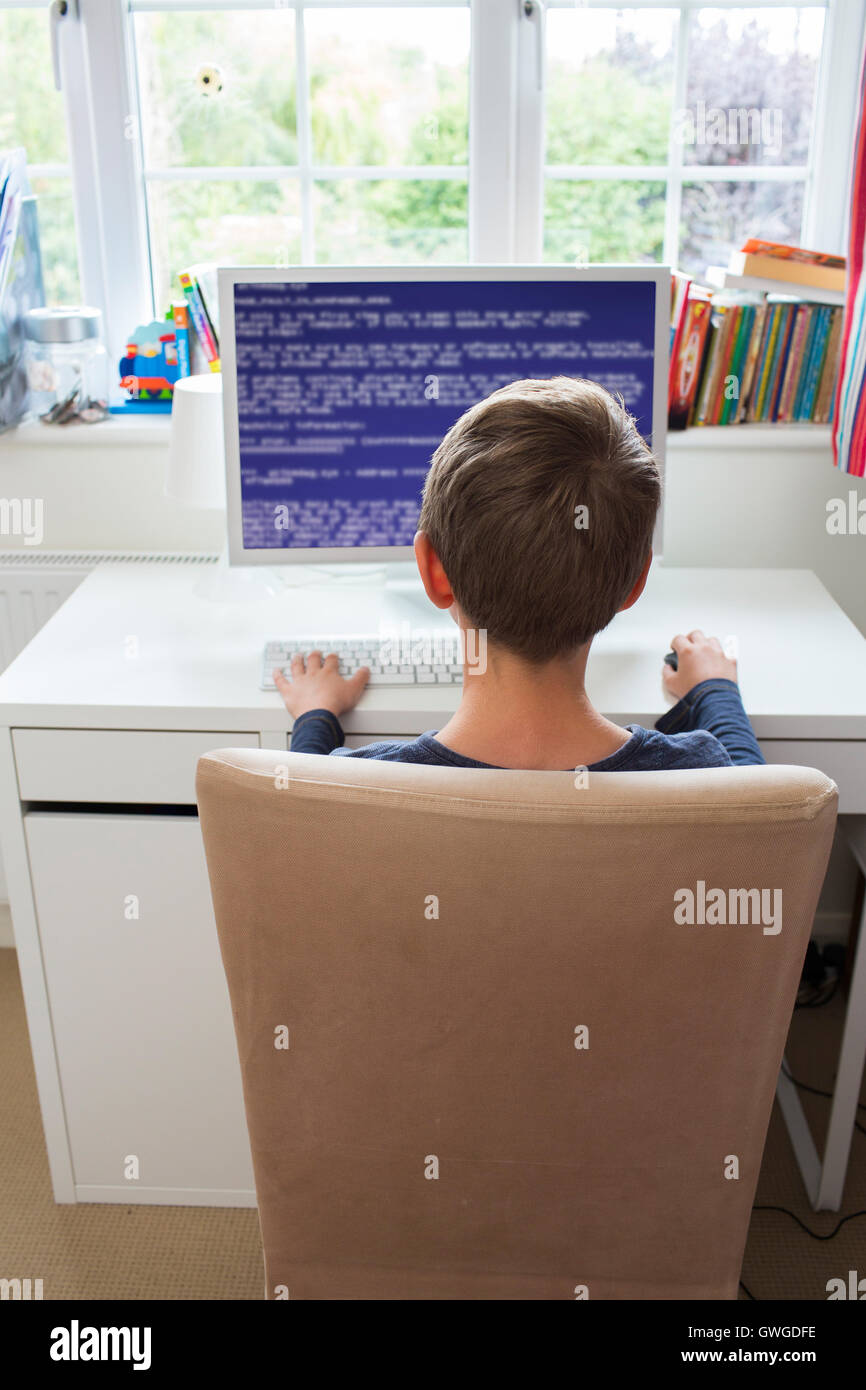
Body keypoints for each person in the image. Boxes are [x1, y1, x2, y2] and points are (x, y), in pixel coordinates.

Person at [275, 376, 764, 772]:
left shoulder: (360, 785)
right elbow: (764, 801)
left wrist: (316, 717)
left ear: (433, 572)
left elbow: (303, 804)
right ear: (635, 582)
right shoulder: (699, 772)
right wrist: (714, 689)